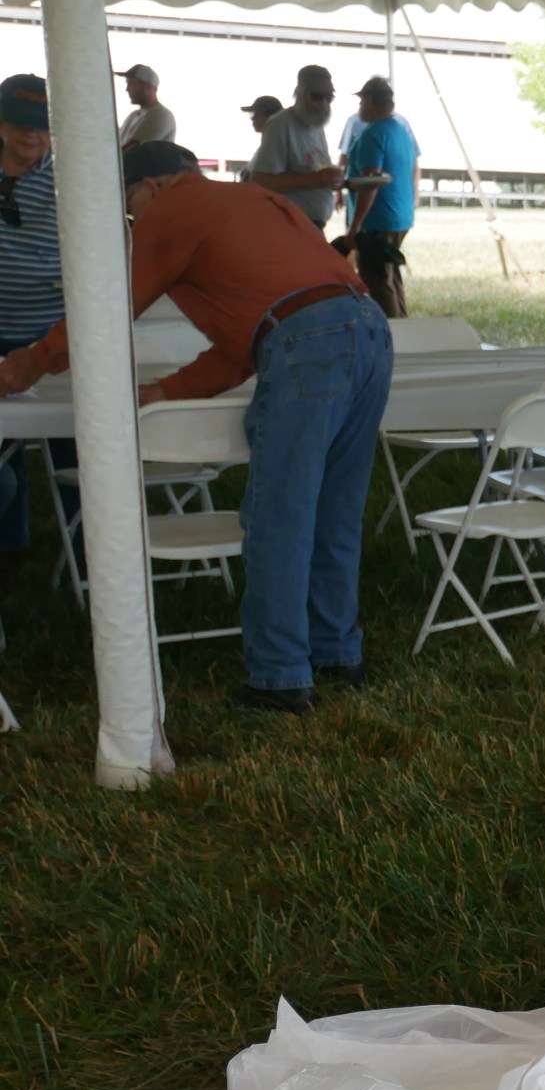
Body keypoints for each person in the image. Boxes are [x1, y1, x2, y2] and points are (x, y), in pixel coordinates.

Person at [0, 143, 392, 713]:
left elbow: (110, 305)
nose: (134, 219)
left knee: (278, 516)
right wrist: (164, 393)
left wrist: (26, 364)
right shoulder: (250, 201)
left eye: (130, 204)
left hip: (310, 339)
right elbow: (253, 340)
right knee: (335, 510)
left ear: (152, 185)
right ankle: (337, 653)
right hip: (368, 329)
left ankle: (279, 679)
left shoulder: (171, 208)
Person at [0, 75, 62, 557]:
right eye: (21, 124)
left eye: (41, 127)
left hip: (51, 335)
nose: (30, 135)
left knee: (77, 440)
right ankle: (12, 543)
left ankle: (85, 544)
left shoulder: (68, 179)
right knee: (6, 447)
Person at [341, 76, 419, 319]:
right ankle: (404, 328)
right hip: (400, 217)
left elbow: (370, 183)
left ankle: (394, 337)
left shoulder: (372, 134)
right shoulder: (401, 131)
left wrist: (354, 228)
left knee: (377, 283)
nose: (360, 108)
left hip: (378, 220)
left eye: (362, 102)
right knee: (391, 278)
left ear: (371, 101)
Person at [247, 65, 341, 231]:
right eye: (317, 96)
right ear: (299, 93)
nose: (324, 103)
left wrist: (336, 180)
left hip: (311, 226)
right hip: (289, 227)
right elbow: (260, 180)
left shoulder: (316, 125)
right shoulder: (280, 125)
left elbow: (316, 172)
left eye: (329, 97)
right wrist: (315, 179)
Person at [116, 65, 174, 148]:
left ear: (147, 87)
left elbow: (131, 149)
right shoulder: (133, 115)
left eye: (131, 84)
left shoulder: (160, 114)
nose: (127, 89)